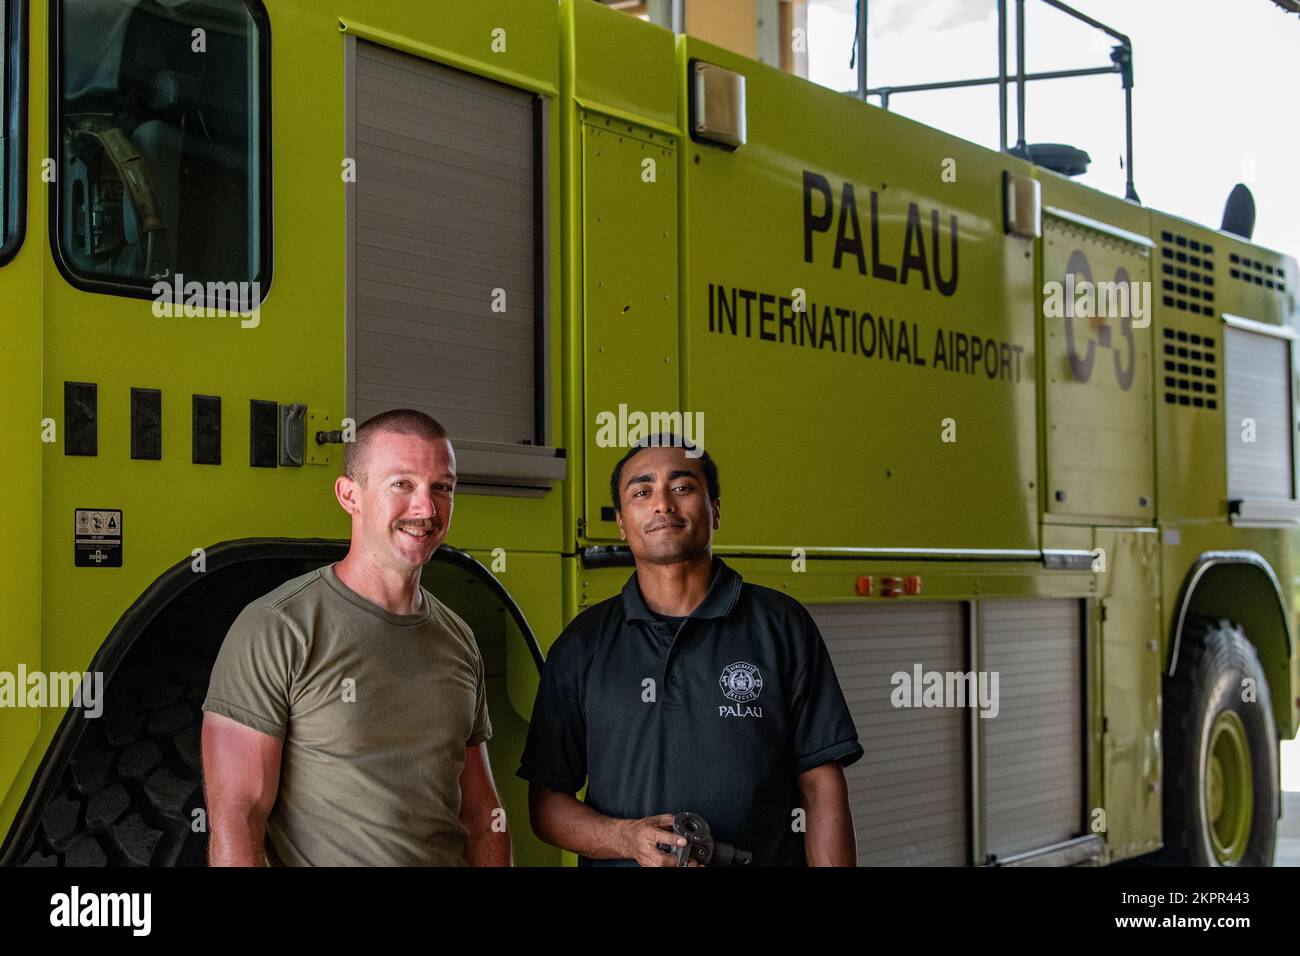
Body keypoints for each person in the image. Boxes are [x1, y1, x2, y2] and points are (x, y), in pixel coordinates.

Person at [519, 434, 862, 866]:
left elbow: (822, 783)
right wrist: (627, 839)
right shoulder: (581, 644)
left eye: (681, 487)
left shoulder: (781, 626)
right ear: (622, 523)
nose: (663, 504)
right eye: (642, 492)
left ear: (715, 509)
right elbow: (547, 806)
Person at [201, 409, 510, 866]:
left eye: (441, 487)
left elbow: (482, 812)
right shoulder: (277, 626)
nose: (426, 508)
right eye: (401, 484)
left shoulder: (457, 639)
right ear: (350, 495)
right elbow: (239, 815)